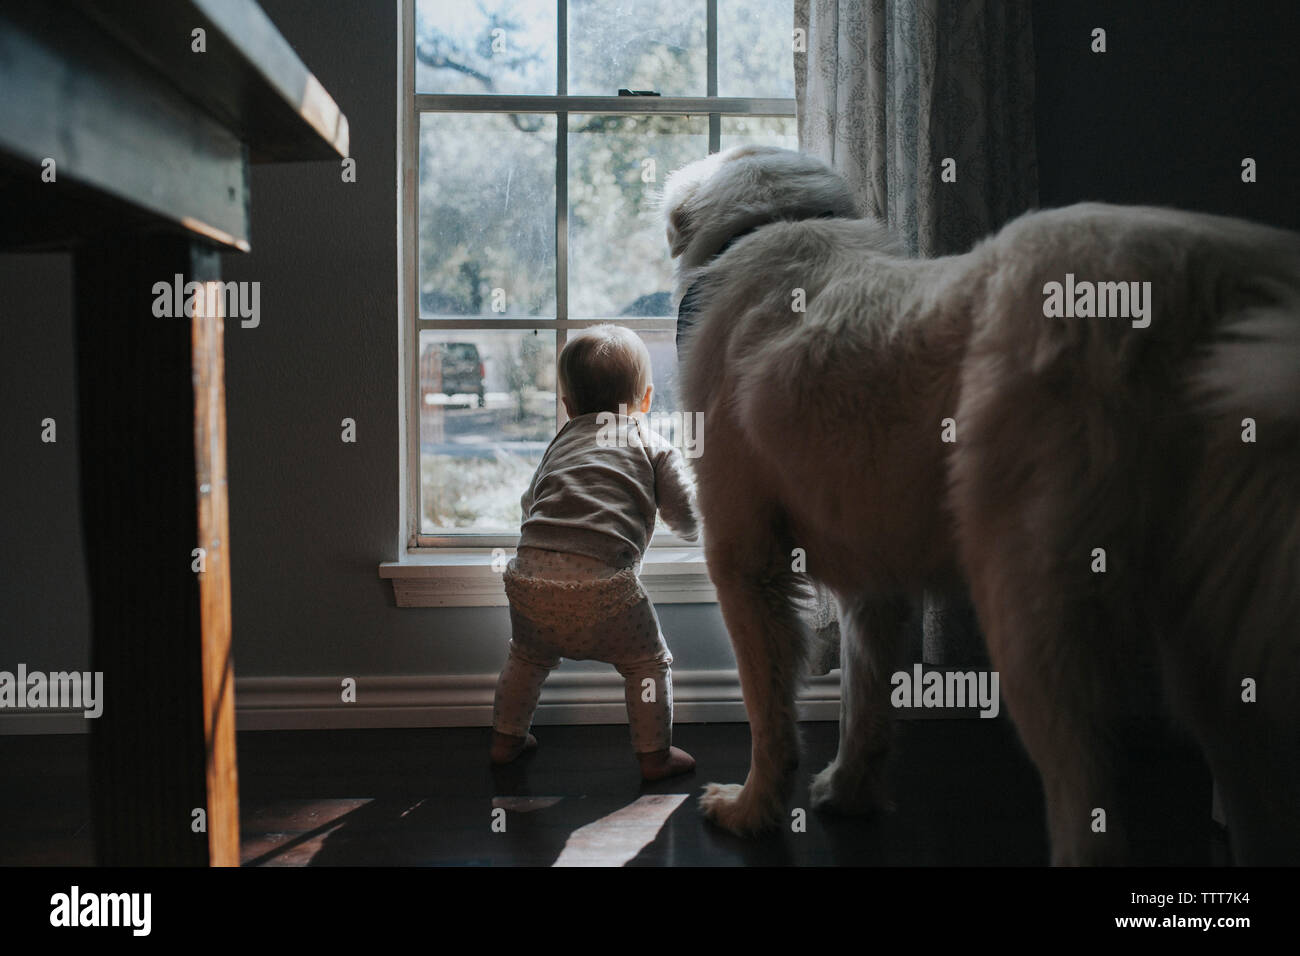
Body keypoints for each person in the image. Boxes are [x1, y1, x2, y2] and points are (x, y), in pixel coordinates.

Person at [491, 325, 700, 781]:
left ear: (568, 406)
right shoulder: (650, 442)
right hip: (606, 594)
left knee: (526, 658)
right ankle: (654, 756)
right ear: (645, 400)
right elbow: (684, 517)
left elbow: (531, 504)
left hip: (529, 585)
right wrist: (697, 528)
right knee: (647, 665)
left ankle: (506, 740)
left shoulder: (560, 441)